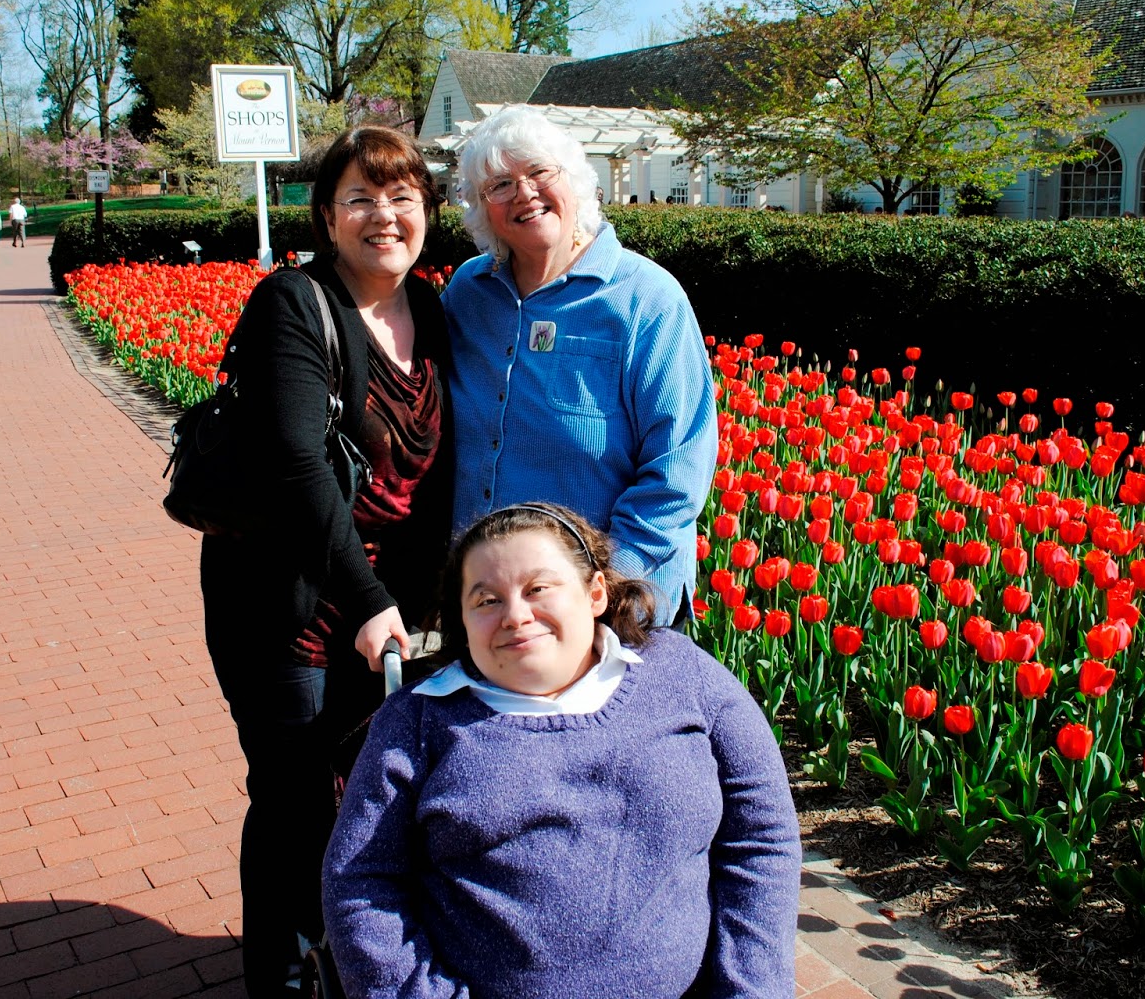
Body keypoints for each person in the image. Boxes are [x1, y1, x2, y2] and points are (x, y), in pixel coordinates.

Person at [322, 503, 801, 999]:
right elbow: (359, 881)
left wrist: (750, 987)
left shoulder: (682, 673)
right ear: (461, 620)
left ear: (595, 593)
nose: (515, 615)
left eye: (537, 589)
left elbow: (761, 837)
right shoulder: (418, 720)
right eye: (487, 600)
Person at [197, 126, 452, 992]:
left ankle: (342, 959)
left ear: (427, 212)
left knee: (369, 793)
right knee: (296, 801)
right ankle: (280, 973)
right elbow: (296, 465)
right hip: (292, 602)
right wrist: (370, 596)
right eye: (361, 198)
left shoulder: (434, 309)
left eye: (403, 197)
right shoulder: (293, 303)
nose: (385, 215)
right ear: (327, 216)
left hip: (391, 612)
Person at [443, 104, 718, 625]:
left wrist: (602, 584)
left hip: (614, 603)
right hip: (495, 601)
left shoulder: (645, 298)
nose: (524, 193)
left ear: (575, 180)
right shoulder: (469, 292)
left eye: (539, 172)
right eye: (499, 185)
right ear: (481, 208)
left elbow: (678, 469)